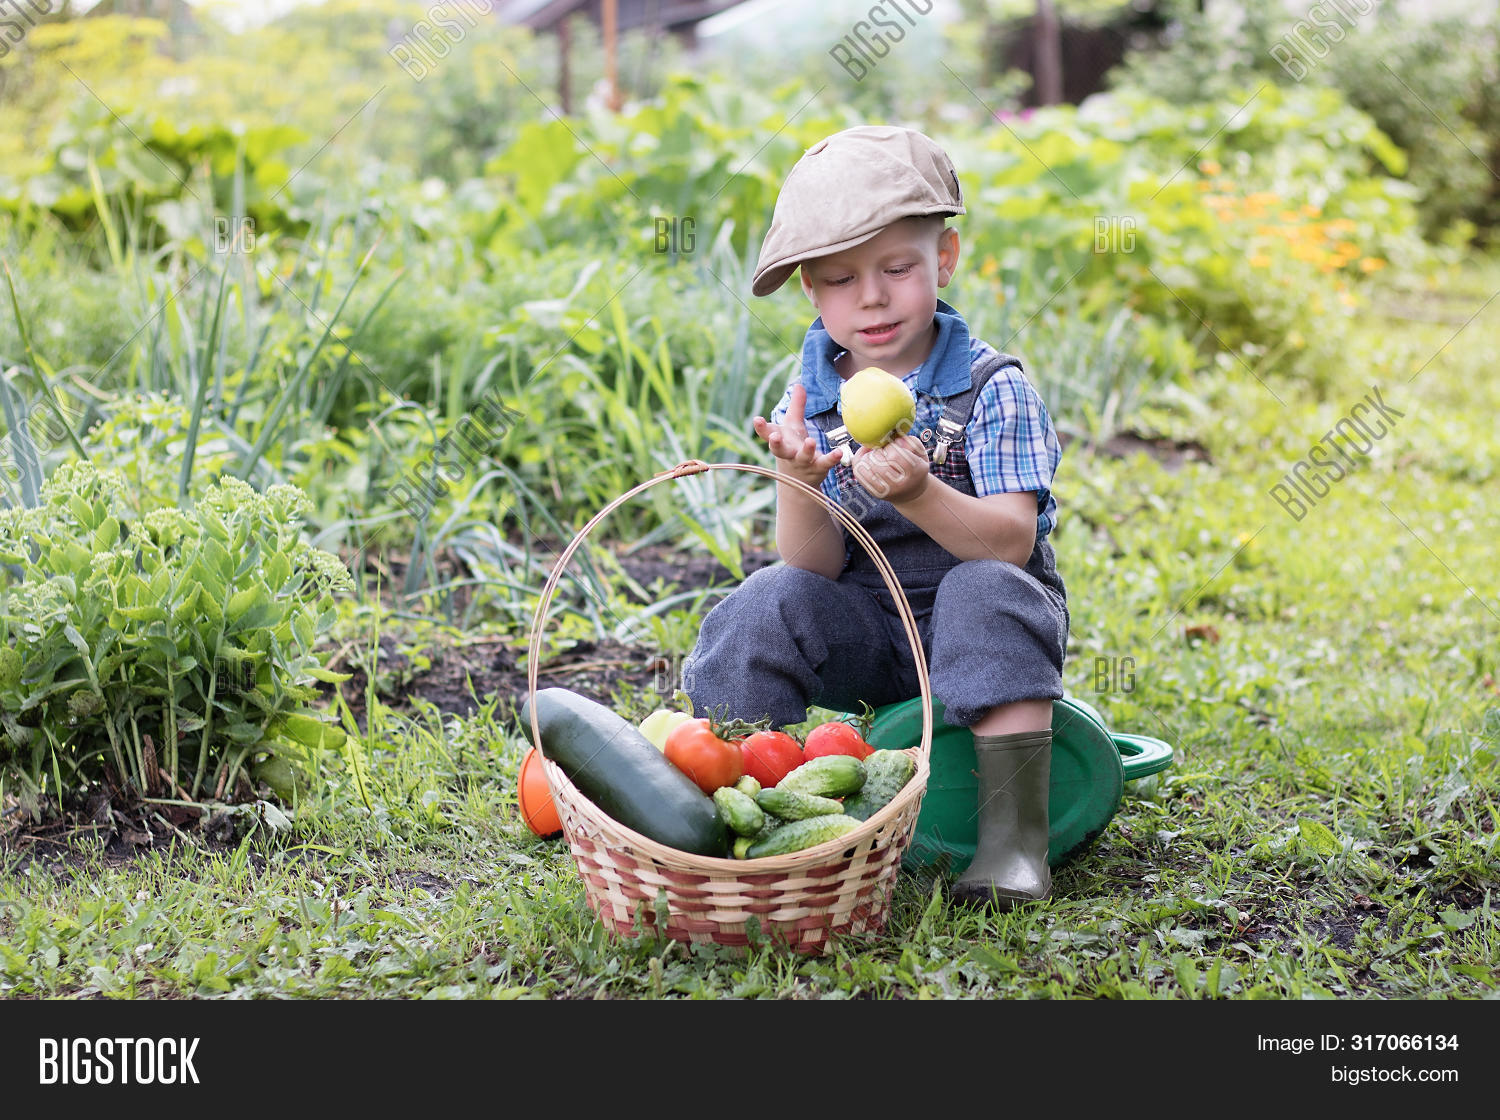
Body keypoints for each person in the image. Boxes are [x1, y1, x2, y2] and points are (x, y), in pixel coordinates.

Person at [681, 126, 1069, 909]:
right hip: (873, 629)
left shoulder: (991, 389)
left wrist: (921, 493)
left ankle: (1014, 847)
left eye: (898, 268)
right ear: (812, 292)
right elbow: (812, 566)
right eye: (839, 279)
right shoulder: (811, 402)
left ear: (945, 260)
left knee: (984, 591)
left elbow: (1010, 542)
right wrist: (798, 476)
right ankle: (743, 821)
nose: (872, 297)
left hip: (984, 620)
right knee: (765, 604)